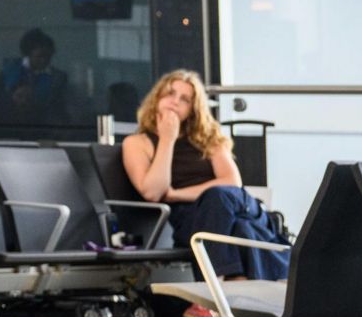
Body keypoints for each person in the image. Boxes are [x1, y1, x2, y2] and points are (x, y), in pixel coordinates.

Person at [122, 70, 287, 281]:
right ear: (157, 98)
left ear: (193, 109)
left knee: (217, 197)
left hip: (237, 205)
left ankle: (209, 285)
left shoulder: (208, 138)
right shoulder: (137, 143)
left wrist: (176, 194)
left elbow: (232, 182)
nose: (175, 102)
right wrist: (167, 139)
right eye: (170, 93)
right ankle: (234, 291)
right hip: (194, 221)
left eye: (185, 99)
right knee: (242, 232)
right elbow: (152, 192)